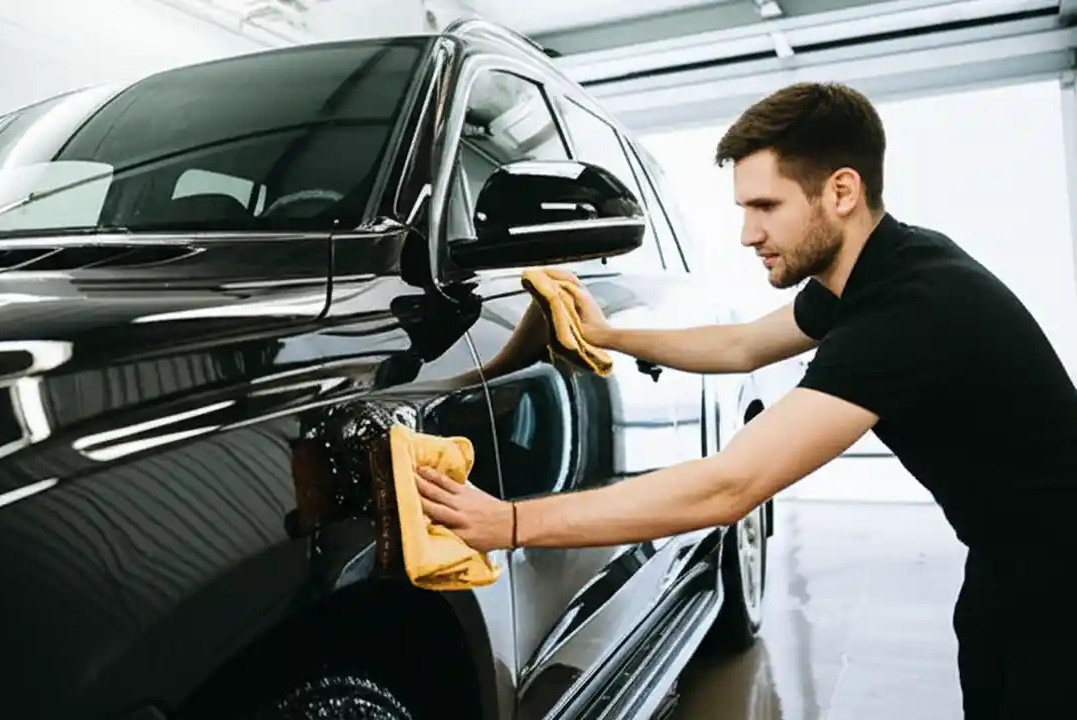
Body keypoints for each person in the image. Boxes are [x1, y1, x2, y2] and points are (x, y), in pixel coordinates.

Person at [414, 81, 1077, 719]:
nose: (747, 234)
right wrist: (609, 334)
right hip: (1008, 564)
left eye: (765, 207)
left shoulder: (909, 311)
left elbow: (729, 486)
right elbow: (742, 346)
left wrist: (511, 525)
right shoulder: (880, 268)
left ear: (841, 190)